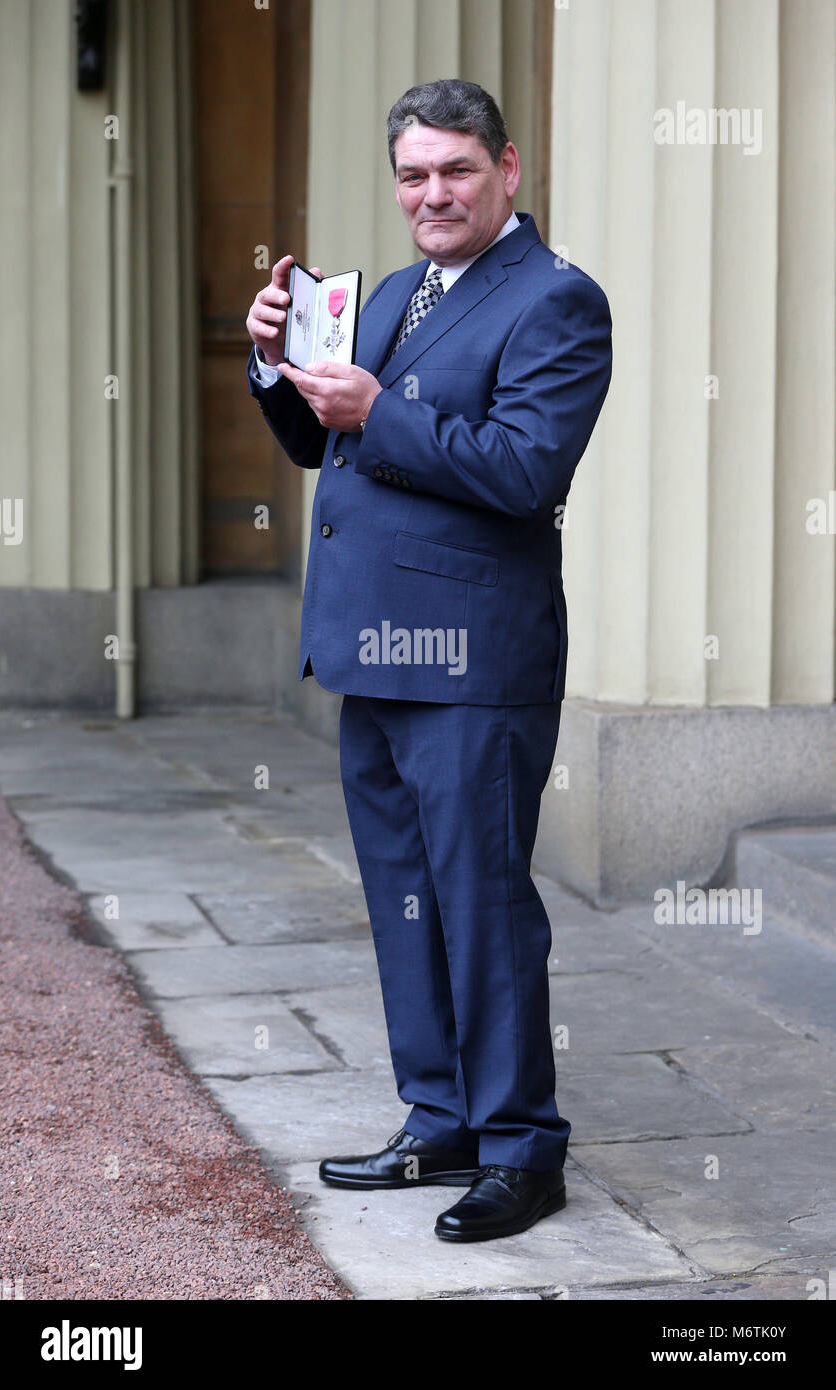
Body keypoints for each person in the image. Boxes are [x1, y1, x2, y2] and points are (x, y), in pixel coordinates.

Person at [245, 78, 612, 1243]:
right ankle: (438, 1118)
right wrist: (274, 366)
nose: (432, 192)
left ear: (509, 169)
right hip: (372, 647)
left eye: (456, 169)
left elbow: (521, 471)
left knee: (481, 904)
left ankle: (520, 1150)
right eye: (413, 173)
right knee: (406, 900)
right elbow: (324, 434)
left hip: (473, 658)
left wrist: (374, 410)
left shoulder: (556, 300)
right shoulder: (392, 291)